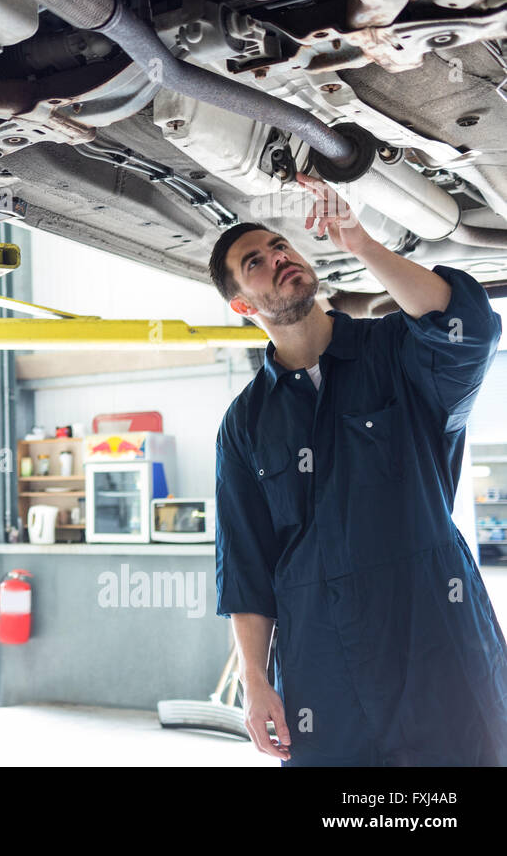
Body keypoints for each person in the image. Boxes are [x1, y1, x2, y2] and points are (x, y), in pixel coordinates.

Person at [209, 172, 507, 766]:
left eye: (280, 247)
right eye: (256, 263)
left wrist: (364, 245)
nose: (278, 259)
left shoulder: (396, 349)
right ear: (243, 304)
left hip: (433, 628)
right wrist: (255, 679)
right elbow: (246, 563)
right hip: (323, 655)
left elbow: (470, 330)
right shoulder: (245, 423)